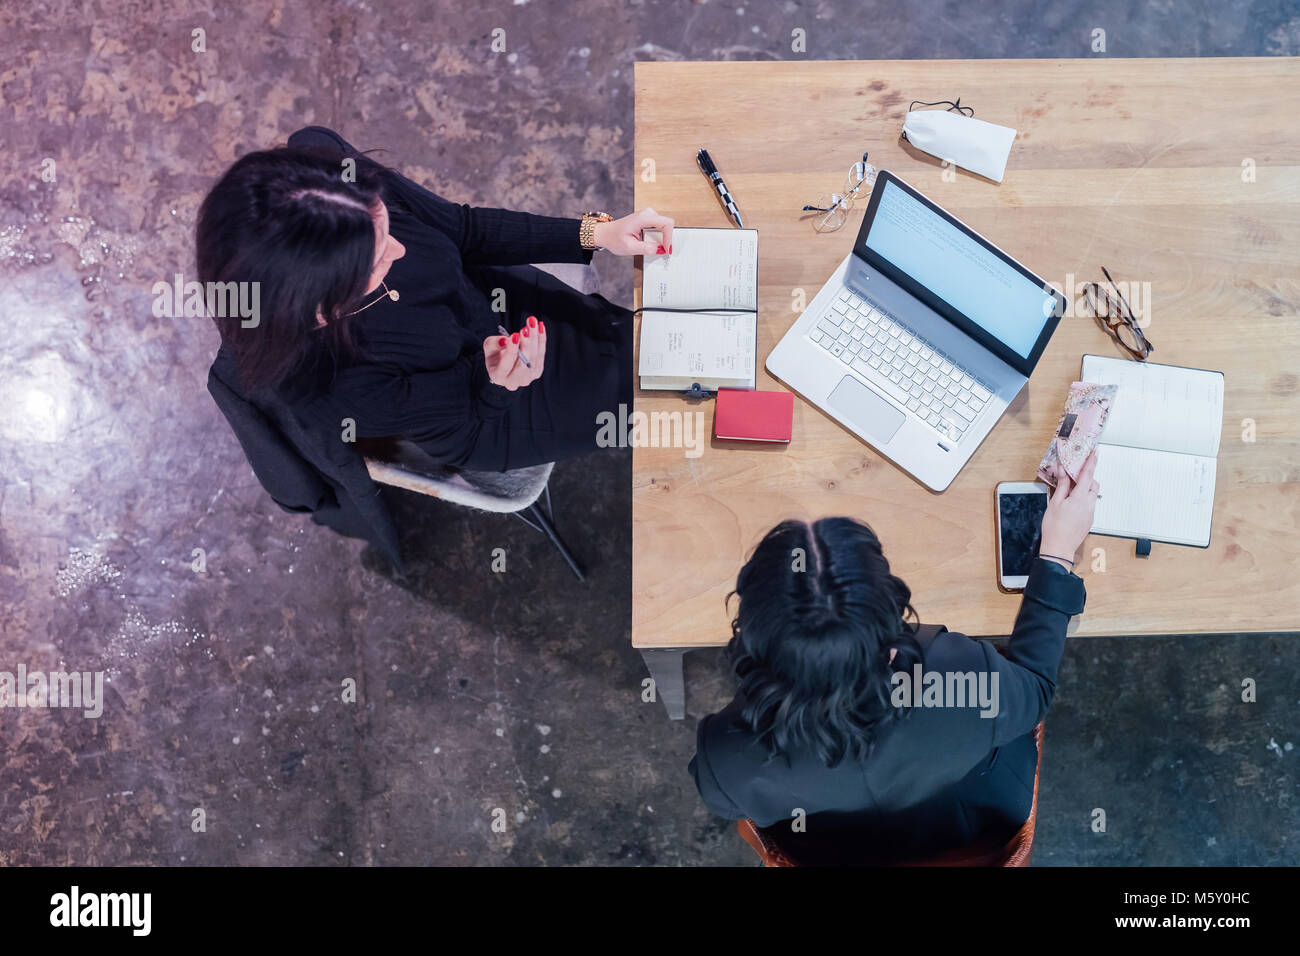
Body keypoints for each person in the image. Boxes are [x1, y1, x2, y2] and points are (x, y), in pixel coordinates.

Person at [689, 452, 1101, 865]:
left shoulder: (726, 755)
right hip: (977, 829)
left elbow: (723, 799)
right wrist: (1057, 555)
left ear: (754, 637)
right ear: (889, 648)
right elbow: (1034, 687)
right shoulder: (962, 679)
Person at [197, 125, 674, 471]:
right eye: (380, 259)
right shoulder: (327, 386)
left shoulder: (332, 182)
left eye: (386, 225)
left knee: (642, 334)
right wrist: (498, 383)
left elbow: (462, 230)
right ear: (322, 309)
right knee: (665, 398)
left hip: (489, 301)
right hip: (488, 415)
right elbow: (470, 409)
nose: (402, 250)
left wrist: (598, 233)